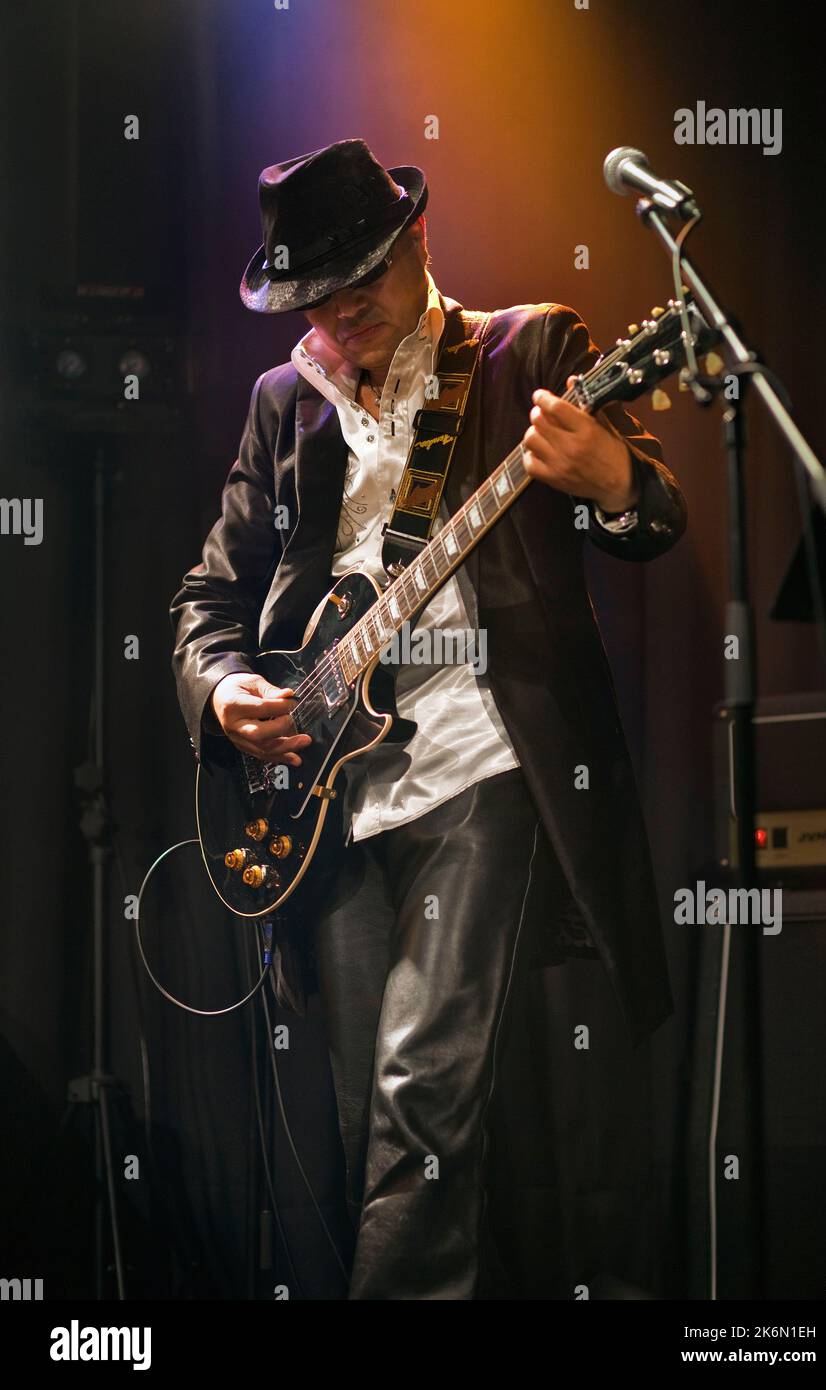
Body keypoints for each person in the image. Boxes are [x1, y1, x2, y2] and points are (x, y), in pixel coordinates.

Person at [169, 138, 687, 1299]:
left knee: (419, 1103)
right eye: (322, 308)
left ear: (418, 247)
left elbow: (654, 514)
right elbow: (208, 594)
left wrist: (606, 477)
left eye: (366, 294)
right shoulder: (280, 407)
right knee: (381, 1135)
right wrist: (220, 689)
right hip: (333, 801)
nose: (347, 326)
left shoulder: (525, 348)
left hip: (480, 763)